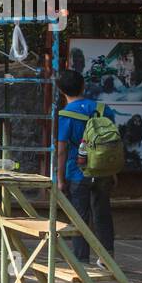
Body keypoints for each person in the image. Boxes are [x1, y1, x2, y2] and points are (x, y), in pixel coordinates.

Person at [56, 70, 118, 266]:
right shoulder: (103, 109)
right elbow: (112, 144)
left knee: (79, 216)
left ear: (60, 90)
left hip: (78, 171)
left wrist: (59, 178)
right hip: (103, 171)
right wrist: (113, 171)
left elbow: (62, 149)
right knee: (102, 213)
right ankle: (107, 257)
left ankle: (81, 259)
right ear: (83, 85)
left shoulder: (66, 114)